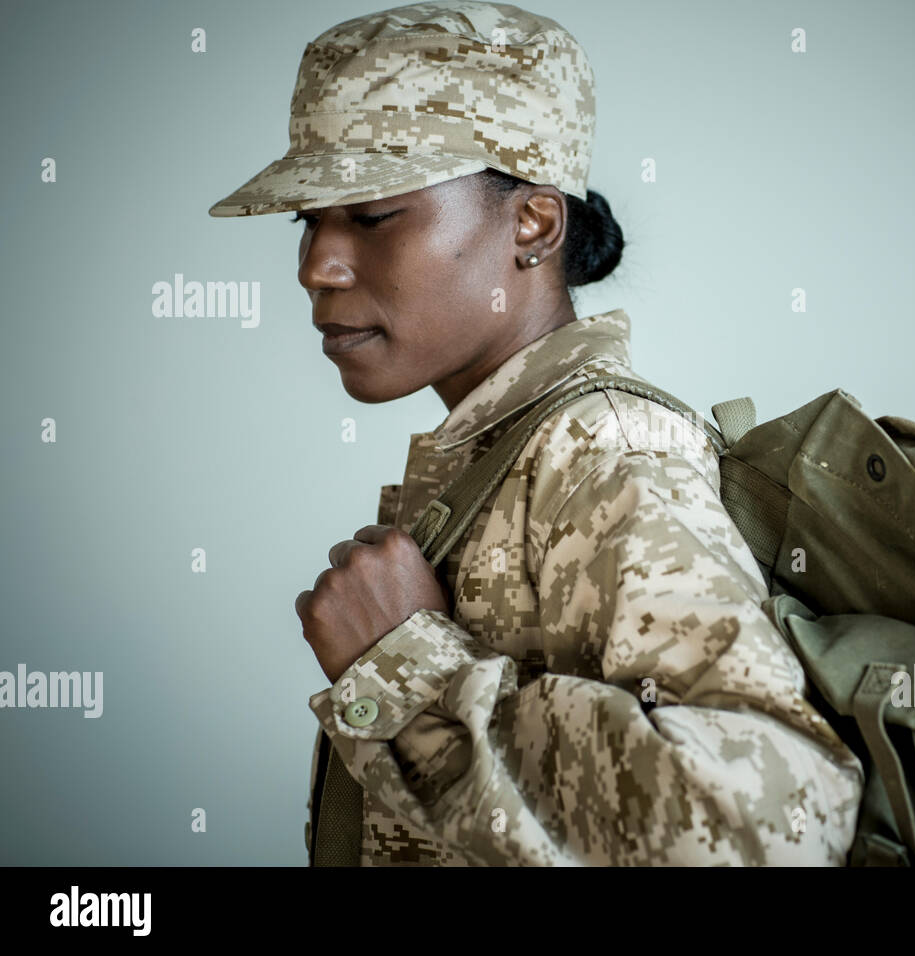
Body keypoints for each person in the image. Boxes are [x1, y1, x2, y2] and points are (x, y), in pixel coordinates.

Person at [209, 0, 864, 865]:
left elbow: (770, 830)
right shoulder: (508, 450)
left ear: (534, 225)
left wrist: (403, 668)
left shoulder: (604, 446)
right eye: (310, 221)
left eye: (370, 216)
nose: (315, 267)